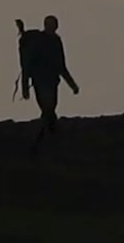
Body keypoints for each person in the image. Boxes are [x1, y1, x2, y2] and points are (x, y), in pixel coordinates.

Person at [16, 15, 79, 152]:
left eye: (54, 24)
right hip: (40, 81)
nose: (53, 27)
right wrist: (25, 87)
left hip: (52, 82)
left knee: (49, 109)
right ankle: (45, 139)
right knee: (47, 109)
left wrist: (72, 85)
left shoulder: (56, 42)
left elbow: (62, 65)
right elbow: (28, 64)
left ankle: (43, 139)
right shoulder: (38, 42)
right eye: (50, 24)